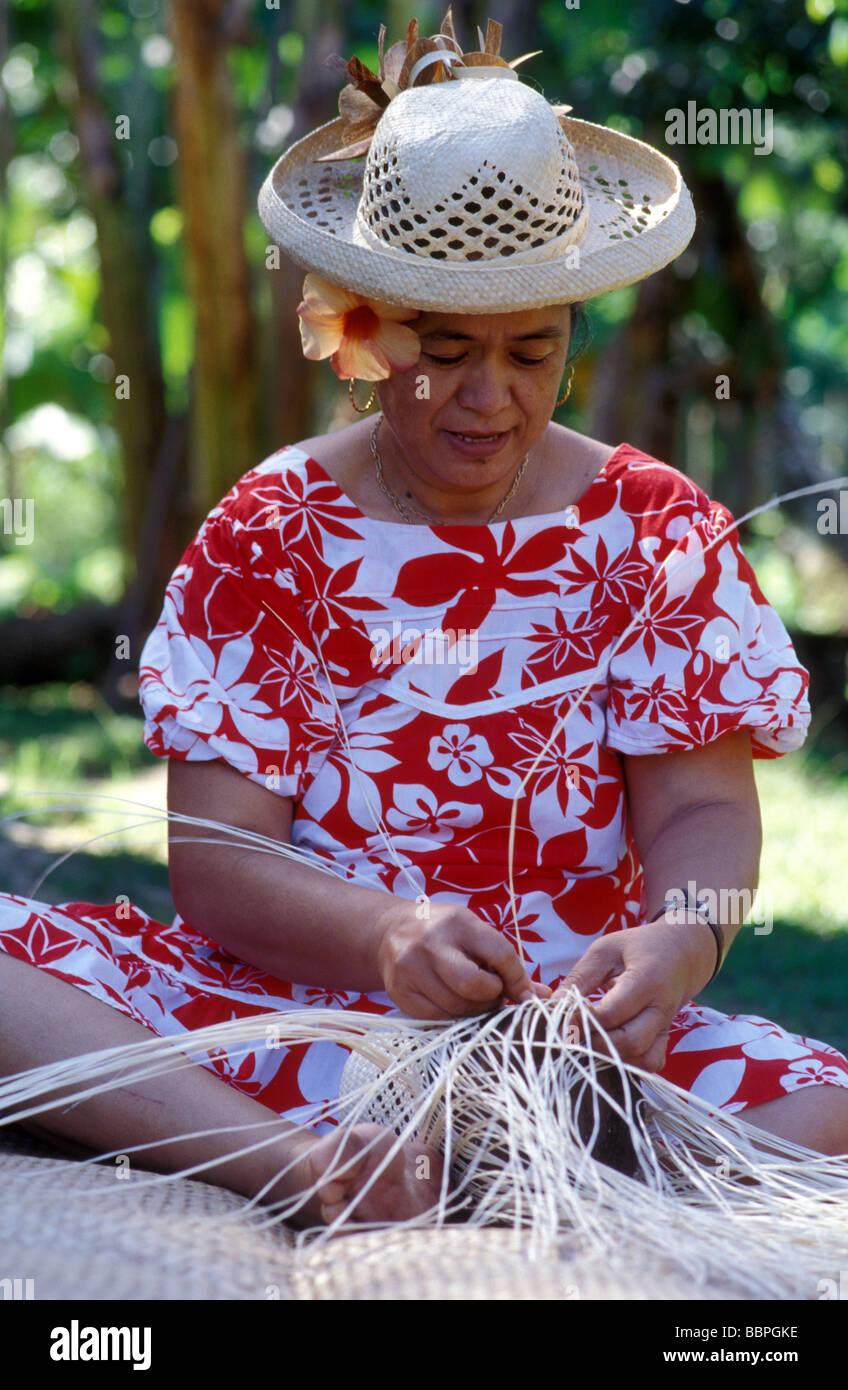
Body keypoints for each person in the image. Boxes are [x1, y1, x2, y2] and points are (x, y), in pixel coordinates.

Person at [2, 14, 847, 1229]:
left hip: (583, 1051)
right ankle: (324, 1171)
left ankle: (537, 1148)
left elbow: (705, 811)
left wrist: (679, 945)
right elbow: (220, 863)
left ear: (571, 335)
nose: (486, 397)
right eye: (442, 351)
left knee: (825, 1109)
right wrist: (386, 935)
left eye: (529, 351)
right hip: (296, 1021)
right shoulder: (275, 529)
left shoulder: (653, 528)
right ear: (362, 326)